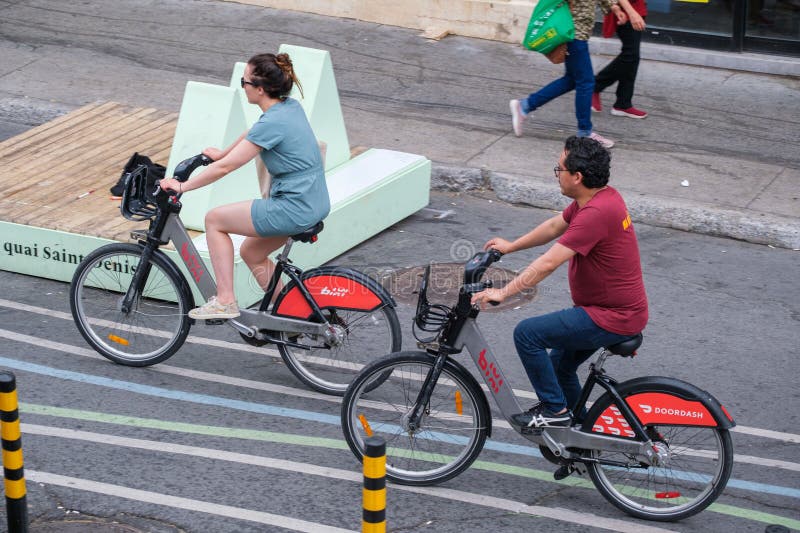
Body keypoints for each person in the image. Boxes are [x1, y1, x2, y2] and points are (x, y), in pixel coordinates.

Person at [471, 136, 648, 454]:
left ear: (577, 177)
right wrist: (511, 246)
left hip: (611, 315)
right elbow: (556, 225)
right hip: (612, 309)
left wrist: (503, 293)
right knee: (559, 367)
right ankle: (579, 437)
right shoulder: (599, 198)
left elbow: (549, 262)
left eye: (559, 169)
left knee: (528, 334)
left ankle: (555, 413)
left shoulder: (596, 213)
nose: (556, 174)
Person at [160, 53, 330, 320]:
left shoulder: (273, 121)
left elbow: (227, 168)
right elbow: (254, 131)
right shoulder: (288, 107)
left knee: (214, 219)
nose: (243, 87)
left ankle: (225, 300)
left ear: (260, 89)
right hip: (314, 203)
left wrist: (183, 187)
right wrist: (223, 152)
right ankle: (295, 314)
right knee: (252, 252)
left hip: (293, 207)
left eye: (245, 82)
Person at [510, 0, 628, 148]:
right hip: (573, 32)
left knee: (572, 79)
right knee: (586, 82)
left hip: (578, 32)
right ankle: (585, 132)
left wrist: (614, 8)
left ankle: (524, 106)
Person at [592, 0, 649, 119]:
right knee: (630, 55)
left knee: (632, 57)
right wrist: (631, 13)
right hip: (626, 10)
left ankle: (623, 103)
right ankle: (595, 86)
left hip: (635, 7)